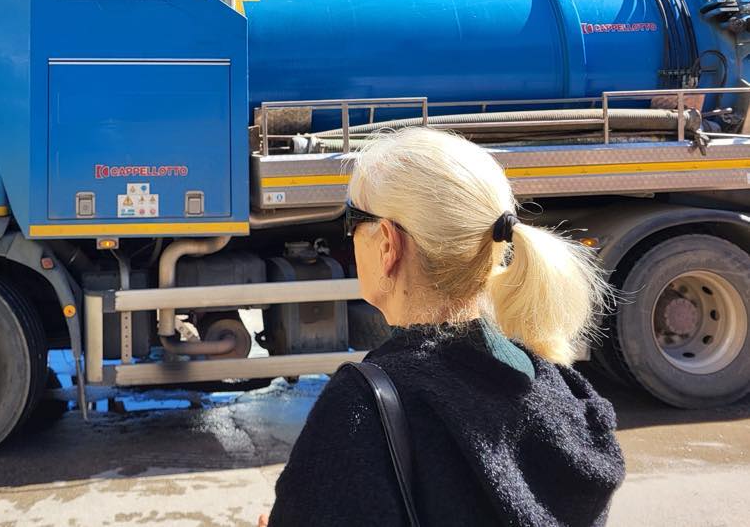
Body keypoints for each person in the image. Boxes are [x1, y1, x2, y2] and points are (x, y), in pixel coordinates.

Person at [264, 127, 625, 527]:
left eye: (352, 219)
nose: (348, 236)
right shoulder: (563, 392)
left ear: (387, 243)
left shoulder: (363, 407)